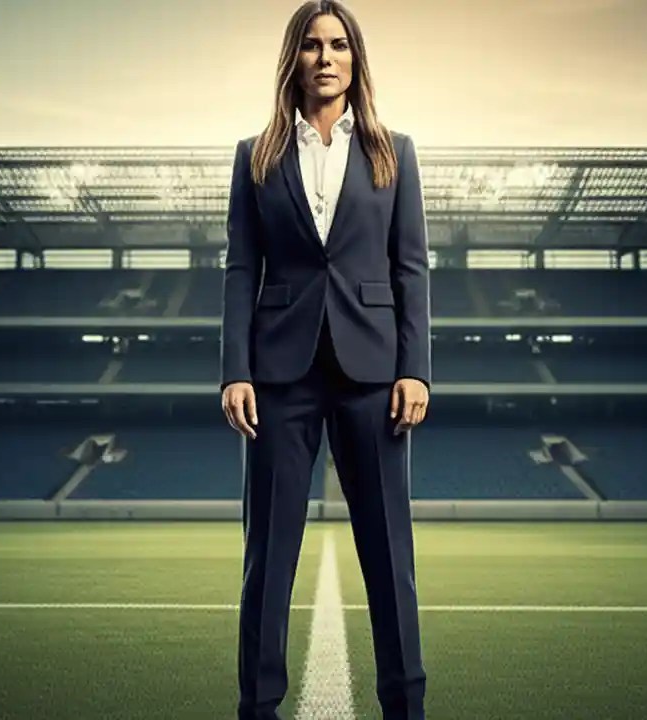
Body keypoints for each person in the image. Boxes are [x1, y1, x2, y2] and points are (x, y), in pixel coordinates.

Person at [219, 2, 431, 718]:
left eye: (339, 44)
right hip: (279, 376)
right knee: (267, 563)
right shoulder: (255, 154)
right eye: (312, 45)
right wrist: (236, 370)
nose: (326, 56)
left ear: (356, 58)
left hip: (374, 372)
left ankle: (405, 707)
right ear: (294, 59)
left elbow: (411, 269)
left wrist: (415, 367)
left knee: (389, 561)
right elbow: (240, 269)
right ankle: (258, 709)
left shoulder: (393, 150)